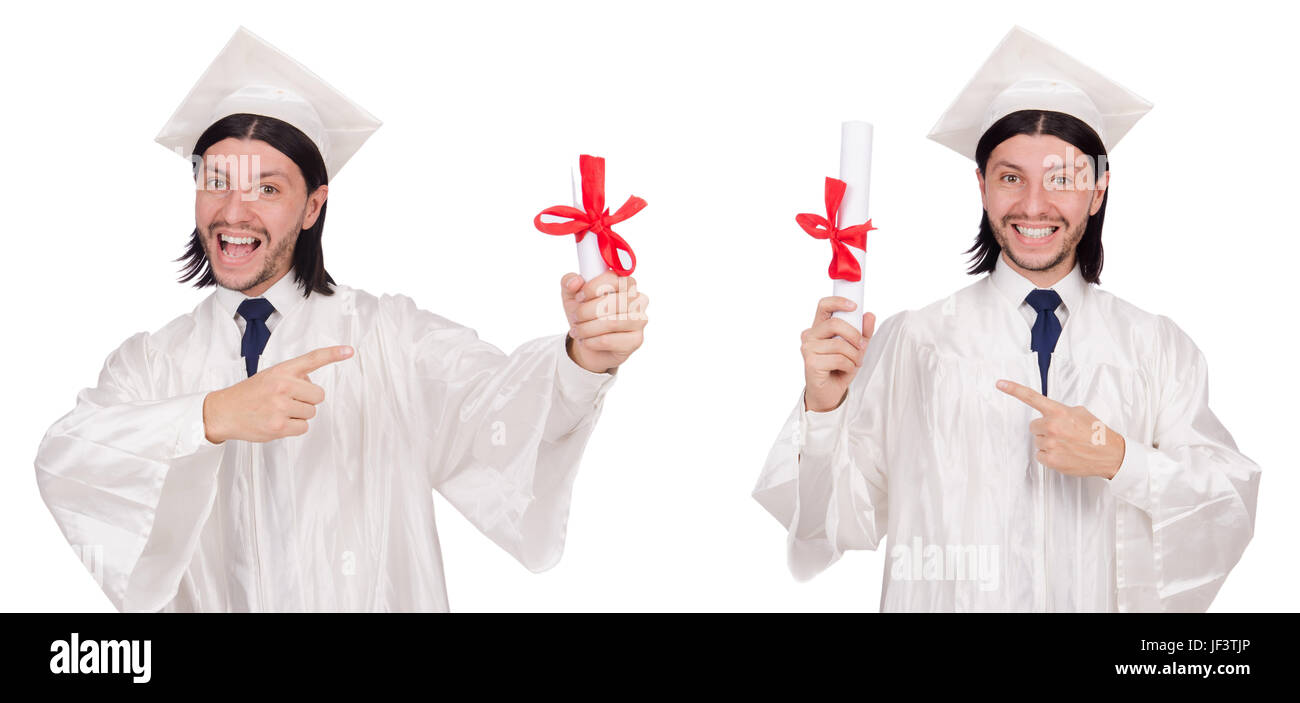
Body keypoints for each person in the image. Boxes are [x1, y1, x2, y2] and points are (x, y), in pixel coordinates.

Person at [34, 27, 649, 612]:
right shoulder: (151, 363)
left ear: (313, 206)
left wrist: (583, 358)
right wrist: (212, 415)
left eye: (268, 189)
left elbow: (504, 415)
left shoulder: (391, 340)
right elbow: (68, 460)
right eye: (216, 181)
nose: (233, 210)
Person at [752, 26, 1260, 612]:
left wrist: (1119, 458)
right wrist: (824, 410)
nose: (1035, 204)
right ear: (983, 187)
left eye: (1063, 178)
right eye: (1011, 176)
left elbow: (1228, 505)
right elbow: (825, 530)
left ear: (1098, 190)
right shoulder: (915, 341)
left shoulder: (1156, 348)